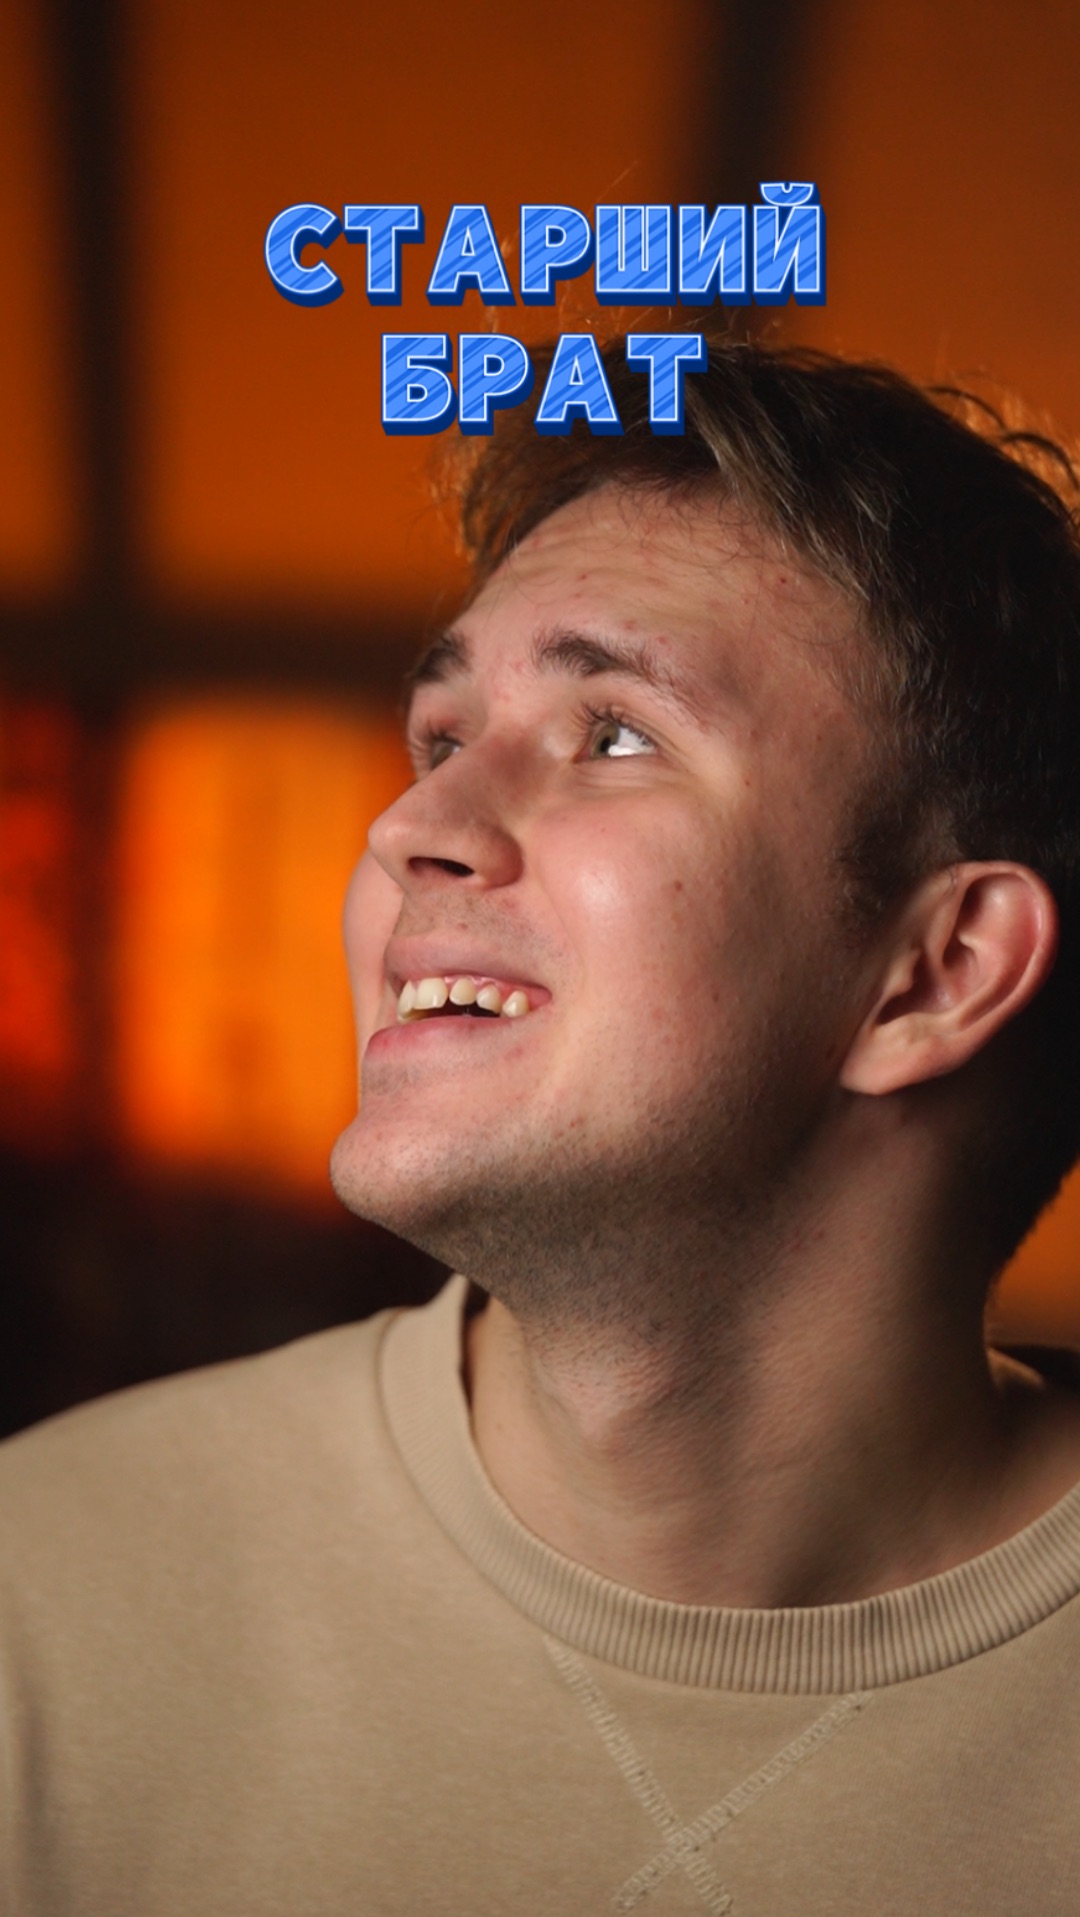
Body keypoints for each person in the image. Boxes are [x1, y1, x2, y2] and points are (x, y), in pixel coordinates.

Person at [4, 337, 1080, 1916]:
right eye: (443, 738)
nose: (407, 825)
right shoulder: (44, 1595)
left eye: (613, 733)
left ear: (938, 971)